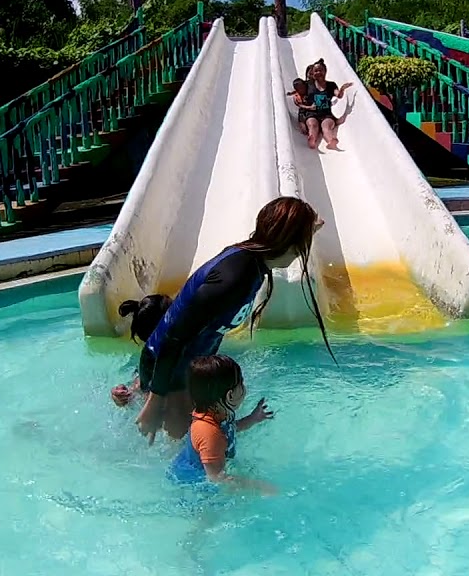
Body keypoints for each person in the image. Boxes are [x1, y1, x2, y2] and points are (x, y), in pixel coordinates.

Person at [134, 196, 334, 443]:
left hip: (184, 365)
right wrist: (156, 399)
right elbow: (174, 339)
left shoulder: (254, 259)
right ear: (288, 242)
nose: (303, 249)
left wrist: (307, 227)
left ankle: (136, 394)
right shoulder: (233, 279)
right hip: (169, 366)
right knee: (189, 449)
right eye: (302, 241)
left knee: (198, 442)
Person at [166, 354, 276, 494]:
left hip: (204, 469)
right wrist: (258, 486)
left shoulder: (217, 413)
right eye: (241, 384)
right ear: (230, 395)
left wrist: (253, 418)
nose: (244, 387)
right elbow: (216, 477)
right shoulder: (209, 433)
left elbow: (231, 429)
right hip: (190, 484)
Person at [110, 294, 174, 407]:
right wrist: (127, 395)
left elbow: (142, 386)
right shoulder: (180, 351)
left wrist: (128, 394)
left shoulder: (146, 360)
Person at [304, 58, 351, 150]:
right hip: (312, 113)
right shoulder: (309, 85)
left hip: (326, 114)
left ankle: (331, 141)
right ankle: (312, 138)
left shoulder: (331, 85)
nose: (318, 72)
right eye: (316, 71)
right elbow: (299, 92)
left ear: (325, 71)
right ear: (313, 73)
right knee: (312, 124)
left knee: (326, 126)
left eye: (320, 70)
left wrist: (342, 89)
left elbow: (339, 95)